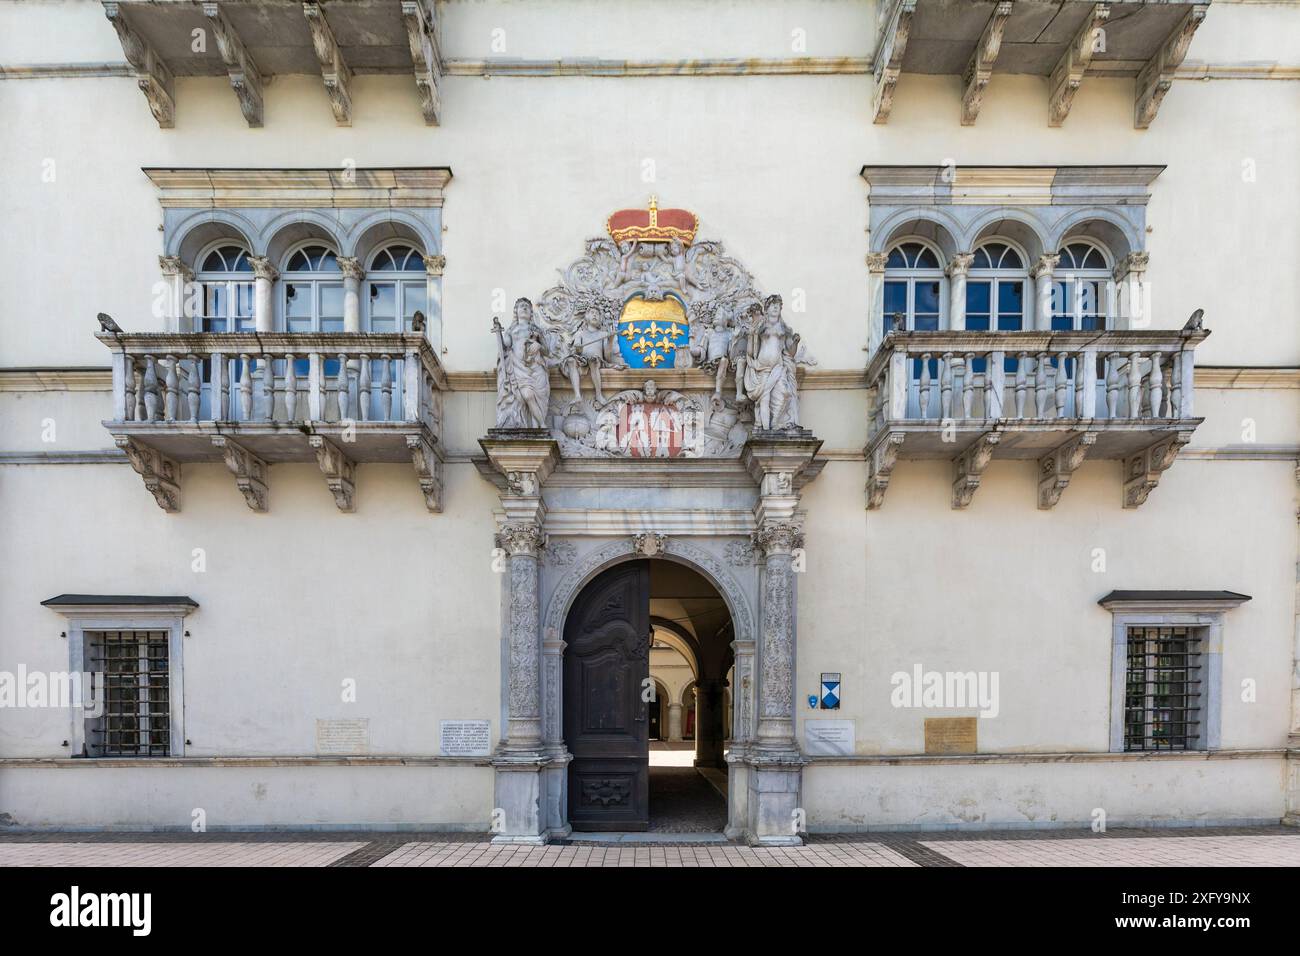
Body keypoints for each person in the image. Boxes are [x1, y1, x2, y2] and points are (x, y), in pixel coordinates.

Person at [492, 298, 551, 429]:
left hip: (536, 369)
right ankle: (542, 424)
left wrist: (538, 345)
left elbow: (547, 351)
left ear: (531, 313)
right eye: (521, 306)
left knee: (538, 398)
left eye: (527, 307)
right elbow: (504, 346)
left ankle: (539, 426)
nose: (524, 308)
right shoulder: (512, 331)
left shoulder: (536, 329)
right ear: (516, 312)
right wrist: (498, 333)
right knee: (527, 395)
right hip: (519, 368)